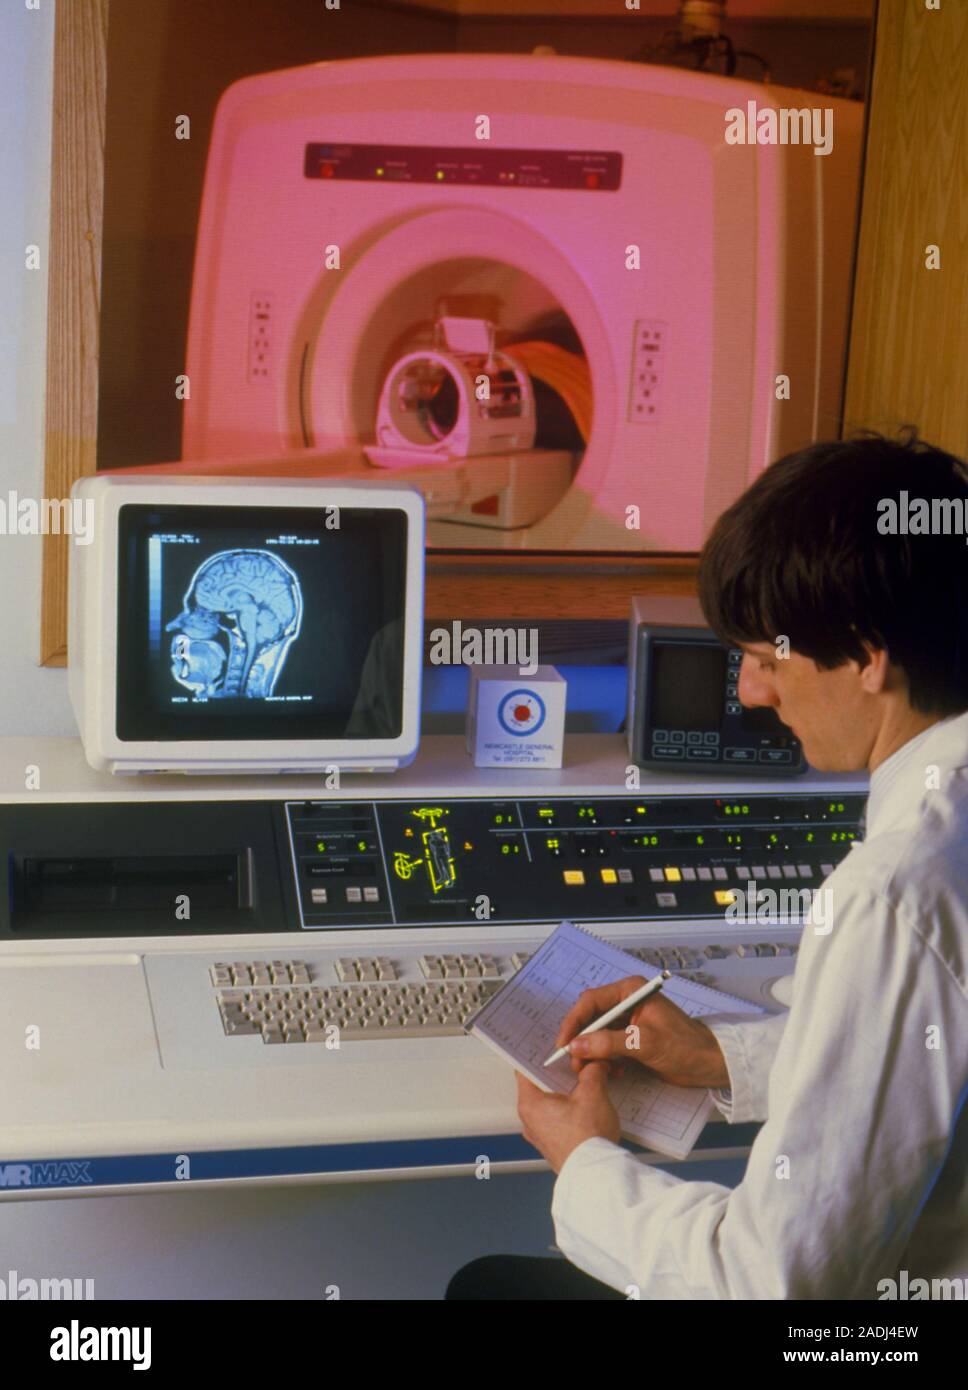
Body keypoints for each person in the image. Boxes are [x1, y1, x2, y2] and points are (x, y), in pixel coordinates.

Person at [446, 430, 968, 1300]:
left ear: (869, 656)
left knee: (491, 1290)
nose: (755, 693)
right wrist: (724, 1060)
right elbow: (920, 1068)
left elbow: (765, 1285)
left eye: (770, 659)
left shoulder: (894, 894)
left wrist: (584, 1163)